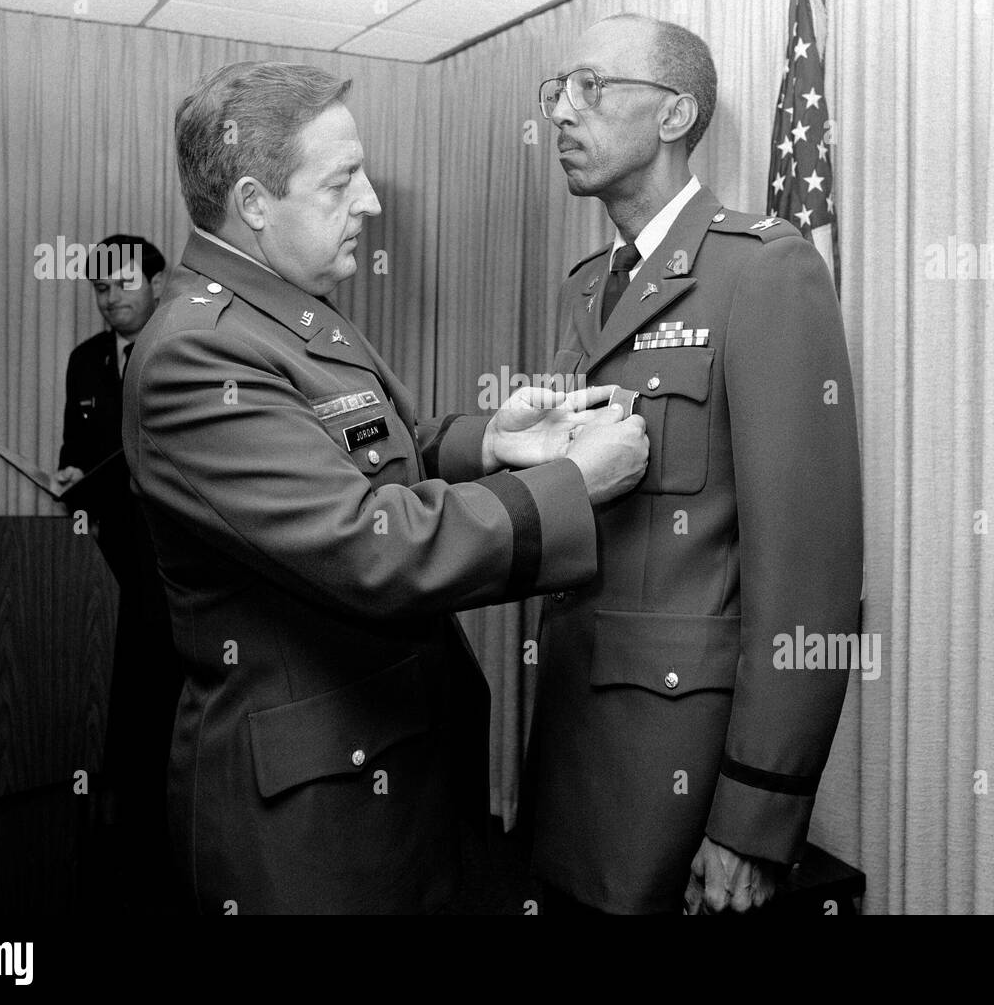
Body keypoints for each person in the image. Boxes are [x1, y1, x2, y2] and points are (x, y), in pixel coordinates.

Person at [123, 60, 648, 914]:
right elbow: (369, 544)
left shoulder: (290, 305)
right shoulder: (197, 353)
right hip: (309, 819)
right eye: (341, 181)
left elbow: (382, 450)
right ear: (255, 204)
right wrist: (571, 485)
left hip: (391, 766)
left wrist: (496, 441)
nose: (370, 201)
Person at [524, 14, 863, 915]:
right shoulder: (587, 284)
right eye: (558, 91)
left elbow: (809, 576)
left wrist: (755, 815)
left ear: (675, 114)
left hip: (678, 767)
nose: (562, 111)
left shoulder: (763, 270)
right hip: (570, 739)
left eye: (591, 88)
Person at [56, 235, 182, 910]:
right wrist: (72, 479)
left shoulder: (180, 350)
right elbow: (75, 453)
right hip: (102, 564)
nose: (110, 299)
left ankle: (172, 849)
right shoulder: (85, 361)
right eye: (100, 289)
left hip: (167, 566)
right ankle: (122, 850)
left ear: (157, 283)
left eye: (123, 283)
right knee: (111, 707)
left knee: (160, 706)